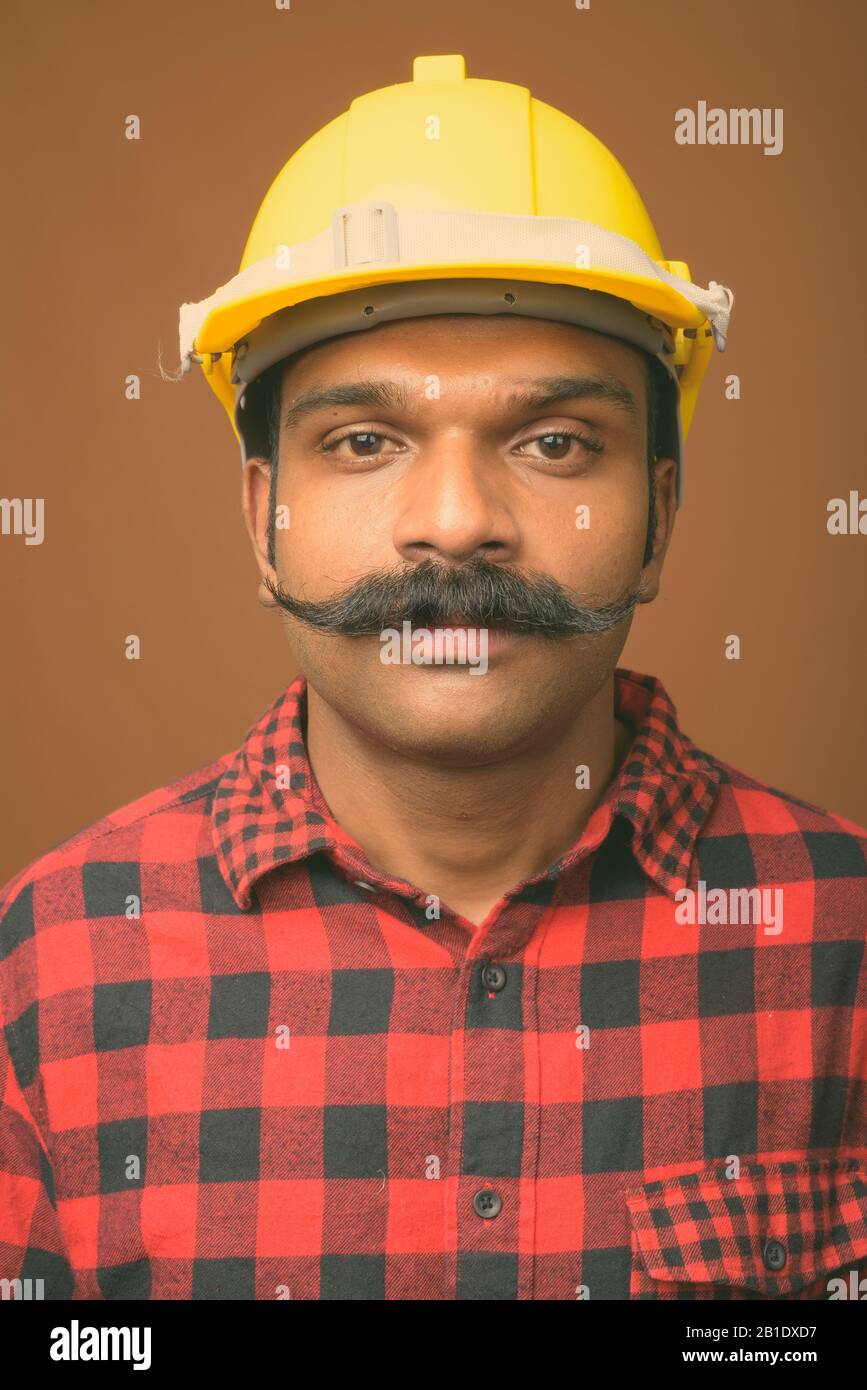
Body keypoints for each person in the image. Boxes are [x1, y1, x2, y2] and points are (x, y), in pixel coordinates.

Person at [1, 55, 864, 1303]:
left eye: (555, 441)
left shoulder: (845, 942)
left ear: (659, 518)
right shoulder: (55, 965)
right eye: (365, 441)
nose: (455, 524)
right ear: (265, 521)